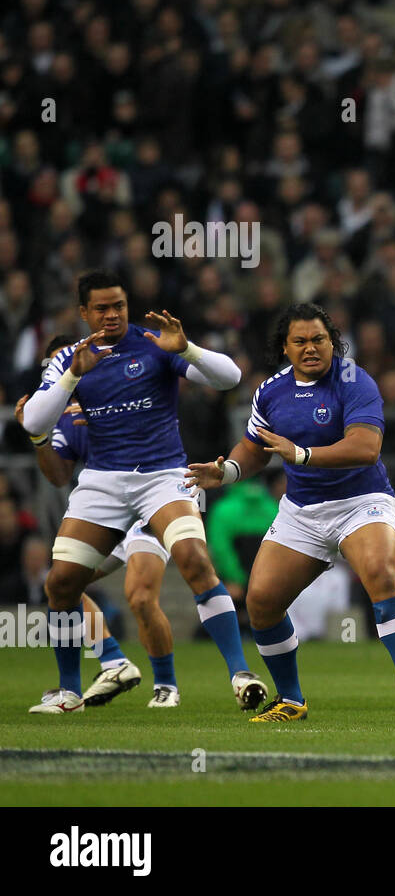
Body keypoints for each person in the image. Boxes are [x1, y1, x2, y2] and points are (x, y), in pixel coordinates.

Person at [19, 270, 266, 714]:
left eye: (118, 305)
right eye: (101, 308)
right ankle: (69, 691)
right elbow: (34, 424)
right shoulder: (70, 359)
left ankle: (240, 672)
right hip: (103, 482)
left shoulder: (156, 343)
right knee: (61, 582)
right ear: (83, 313)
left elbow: (230, 377)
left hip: (163, 476)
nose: (112, 314)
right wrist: (73, 375)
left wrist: (186, 347)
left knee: (193, 558)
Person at [186, 302, 395, 722]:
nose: (310, 348)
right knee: (262, 602)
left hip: (361, 502)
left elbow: (365, 447)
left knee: (381, 573)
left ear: (332, 342)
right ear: (285, 347)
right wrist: (227, 470)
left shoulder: (354, 379)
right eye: (299, 341)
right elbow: (255, 447)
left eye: (318, 339)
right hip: (302, 511)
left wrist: (301, 455)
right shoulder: (271, 390)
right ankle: (291, 699)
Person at [16, 335, 179, 708]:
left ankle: (167, 685)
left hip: (147, 503)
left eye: (69, 360)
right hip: (104, 514)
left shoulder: (117, 387)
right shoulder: (62, 416)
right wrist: (38, 436)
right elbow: (57, 476)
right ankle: (113, 661)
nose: (66, 370)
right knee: (61, 583)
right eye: (55, 366)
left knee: (139, 596)